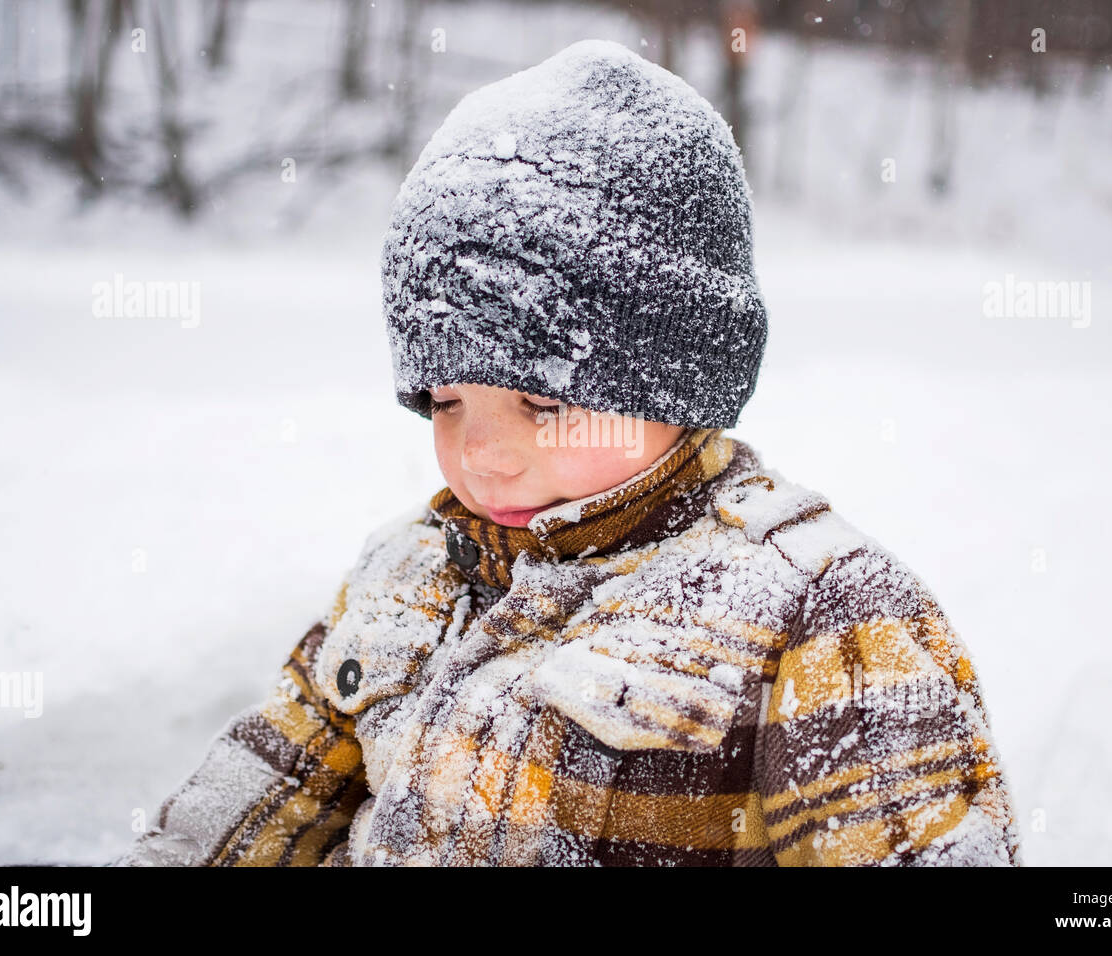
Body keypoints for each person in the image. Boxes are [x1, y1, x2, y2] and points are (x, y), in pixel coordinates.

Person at [111, 38, 1022, 867]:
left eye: (541, 403)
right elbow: (243, 811)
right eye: (445, 400)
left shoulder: (824, 613)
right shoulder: (409, 573)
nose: (483, 457)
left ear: (678, 380)